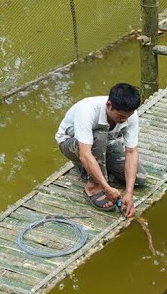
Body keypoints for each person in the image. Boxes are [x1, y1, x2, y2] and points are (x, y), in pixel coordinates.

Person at [55, 83, 143, 217]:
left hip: (106, 144)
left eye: (128, 116)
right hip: (72, 144)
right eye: (120, 116)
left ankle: (89, 169)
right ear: (109, 105)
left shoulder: (131, 115)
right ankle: (92, 187)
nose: (124, 119)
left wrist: (129, 193)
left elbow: (131, 152)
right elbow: (85, 154)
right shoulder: (87, 109)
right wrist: (106, 188)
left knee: (139, 178)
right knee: (99, 136)